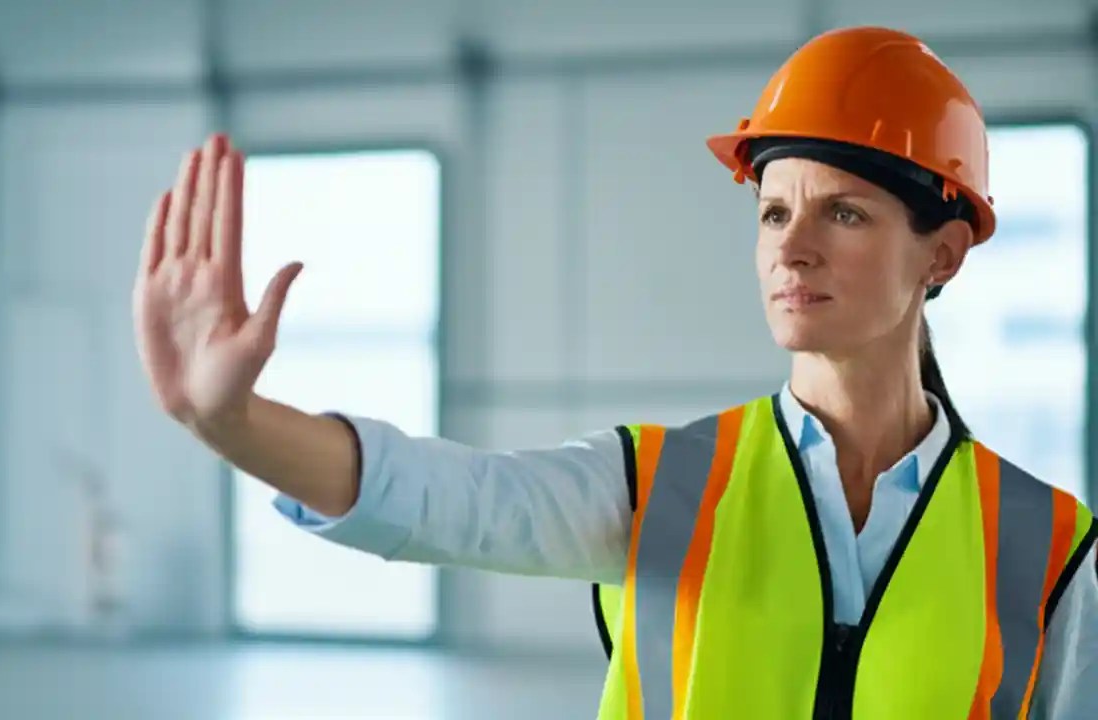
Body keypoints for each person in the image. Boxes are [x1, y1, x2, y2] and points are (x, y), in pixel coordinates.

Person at [132, 26, 1097, 720]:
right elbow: (449, 499)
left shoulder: (1050, 547)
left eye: (843, 213)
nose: (790, 248)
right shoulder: (665, 486)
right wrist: (235, 424)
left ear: (942, 254)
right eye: (772, 212)